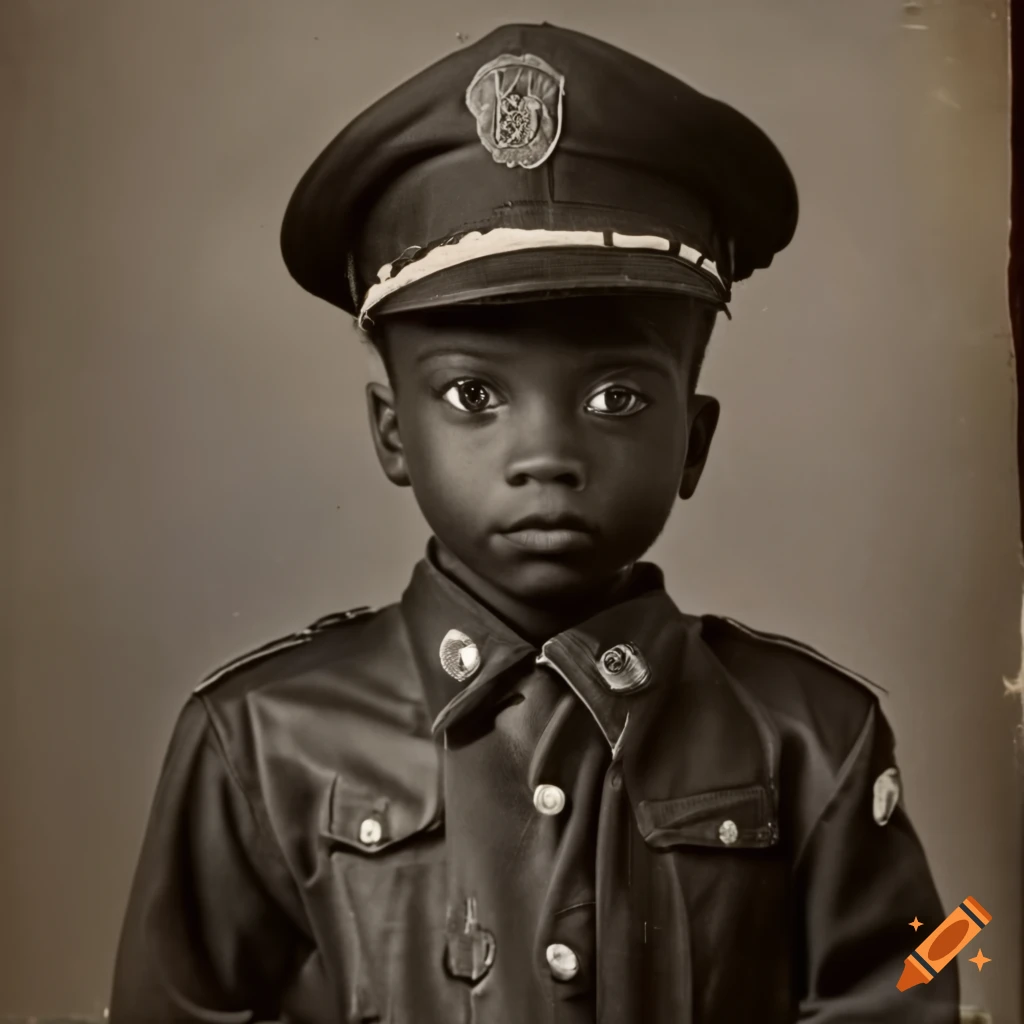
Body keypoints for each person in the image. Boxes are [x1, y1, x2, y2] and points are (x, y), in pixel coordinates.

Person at [109, 22, 959, 1024]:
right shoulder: (261, 738)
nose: (548, 453)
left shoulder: (815, 735)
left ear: (693, 442)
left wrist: (962, 947)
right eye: (473, 395)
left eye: (616, 399)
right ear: (392, 434)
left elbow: (923, 968)